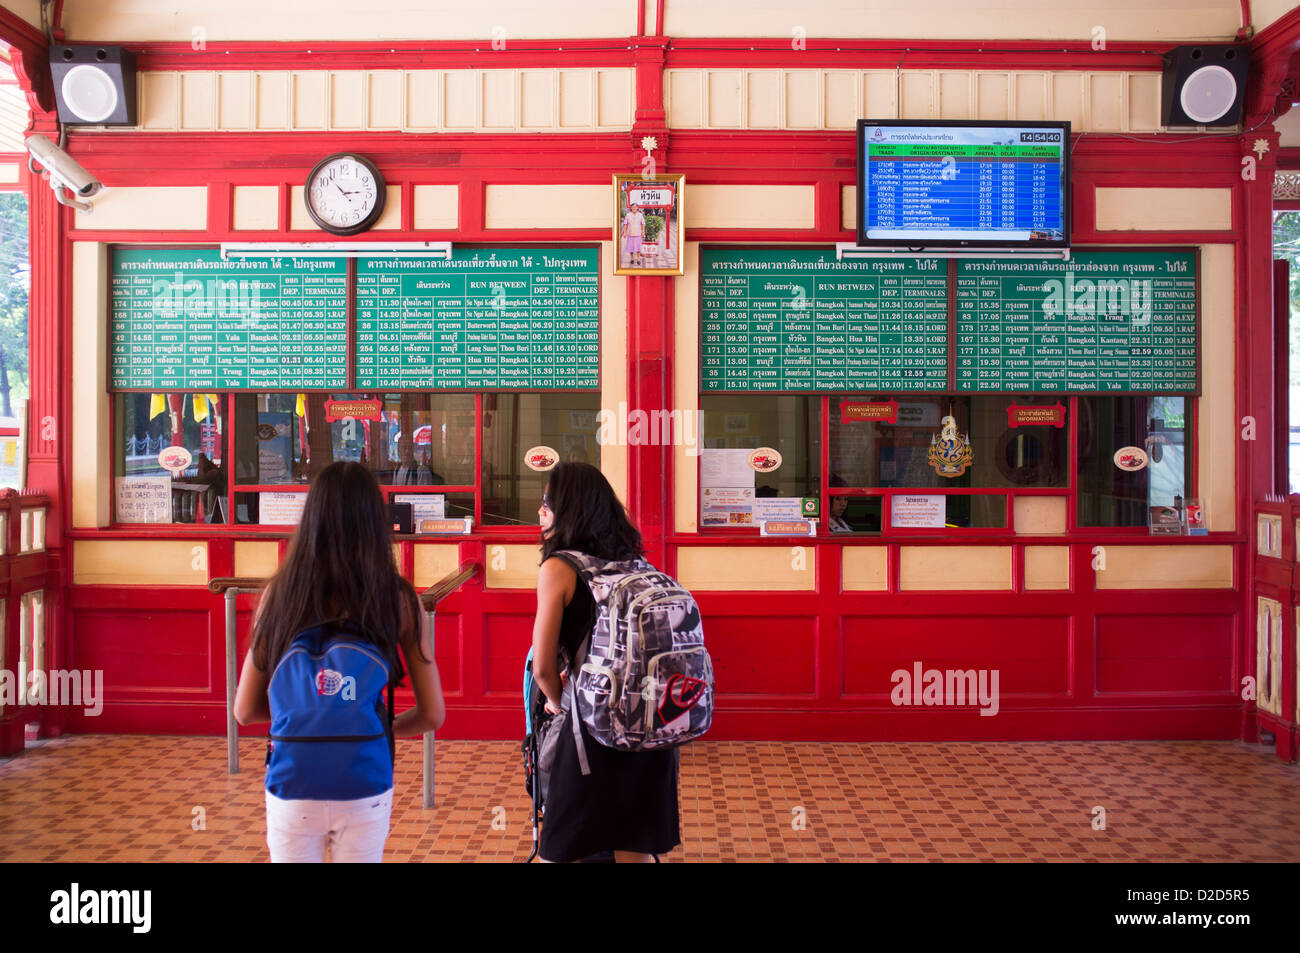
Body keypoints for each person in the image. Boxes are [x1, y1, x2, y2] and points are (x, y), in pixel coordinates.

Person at [233, 461, 446, 863]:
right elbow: (433, 714)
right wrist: (366, 726)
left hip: (292, 780)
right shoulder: (398, 600)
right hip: (365, 781)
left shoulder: (278, 598)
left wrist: (305, 717)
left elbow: (244, 710)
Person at [530, 461, 680, 863]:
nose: (540, 511)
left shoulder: (559, 566)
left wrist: (563, 704)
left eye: (547, 502)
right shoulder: (633, 559)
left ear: (568, 508)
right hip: (649, 723)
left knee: (559, 849)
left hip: (591, 732)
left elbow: (542, 668)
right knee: (634, 848)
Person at [621, 202, 645, 268]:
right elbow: (625, 224)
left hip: (638, 233)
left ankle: (638, 259)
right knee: (631, 247)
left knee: (638, 247)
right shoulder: (628, 215)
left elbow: (643, 224)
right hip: (630, 233)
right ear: (631, 208)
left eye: (635, 207)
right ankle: (632, 258)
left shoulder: (640, 215)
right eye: (633, 207)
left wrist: (643, 232)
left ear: (637, 208)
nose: (634, 208)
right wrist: (625, 232)